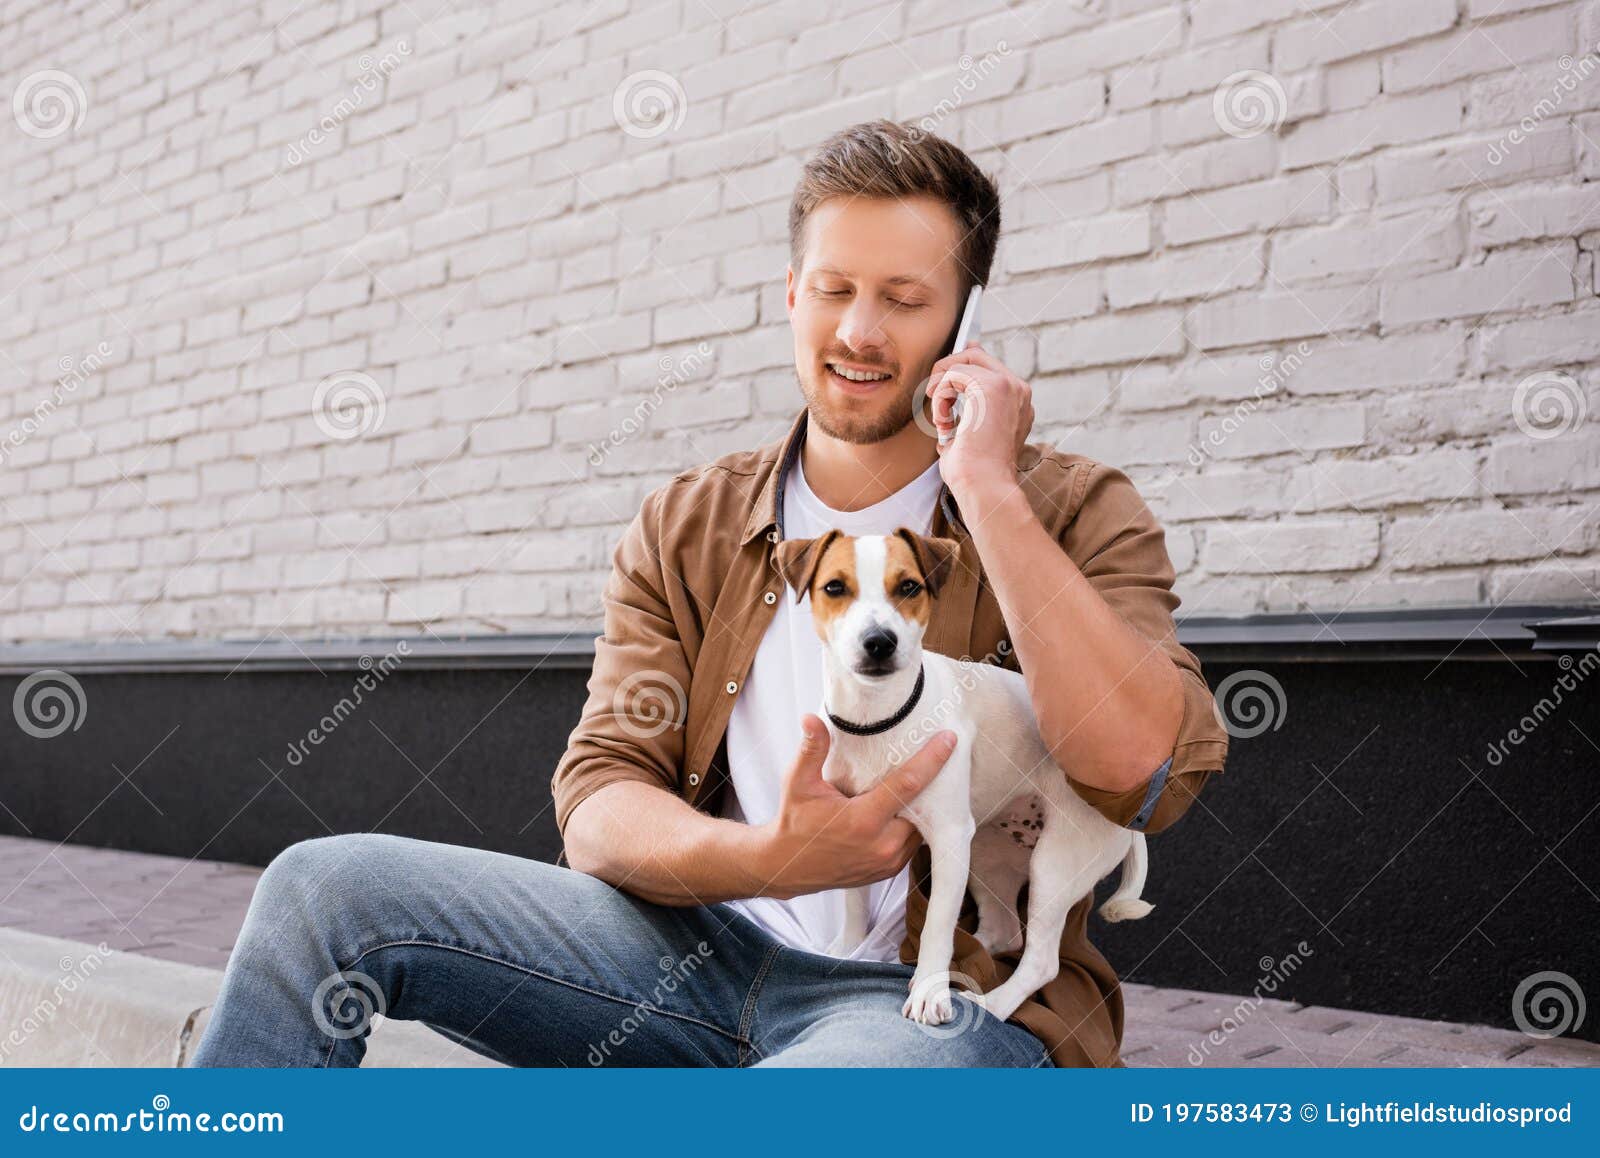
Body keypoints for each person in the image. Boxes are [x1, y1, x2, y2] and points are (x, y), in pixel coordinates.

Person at [191, 119, 1228, 1068]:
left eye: (904, 300)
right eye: (833, 289)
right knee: (321, 892)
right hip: (687, 955)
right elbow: (599, 805)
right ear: (789, 294)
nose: (860, 332)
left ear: (967, 317)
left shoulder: (1073, 510)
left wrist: (988, 494)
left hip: (935, 1002)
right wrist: (771, 859)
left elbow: (1139, 773)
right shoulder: (685, 524)